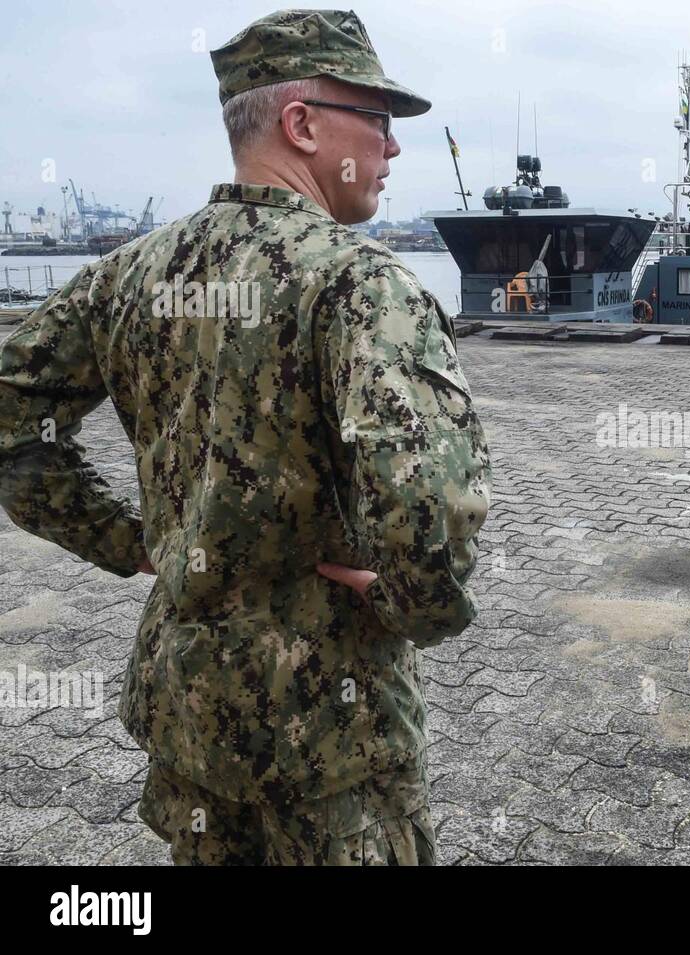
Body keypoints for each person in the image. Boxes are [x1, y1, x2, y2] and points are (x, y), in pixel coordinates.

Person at [0, 8, 491, 864]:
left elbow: (8, 410)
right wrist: (414, 601)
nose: (394, 147)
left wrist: (132, 540)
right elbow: (430, 507)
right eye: (376, 120)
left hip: (191, 716)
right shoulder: (360, 285)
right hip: (332, 741)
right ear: (302, 125)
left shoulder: (132, 274)